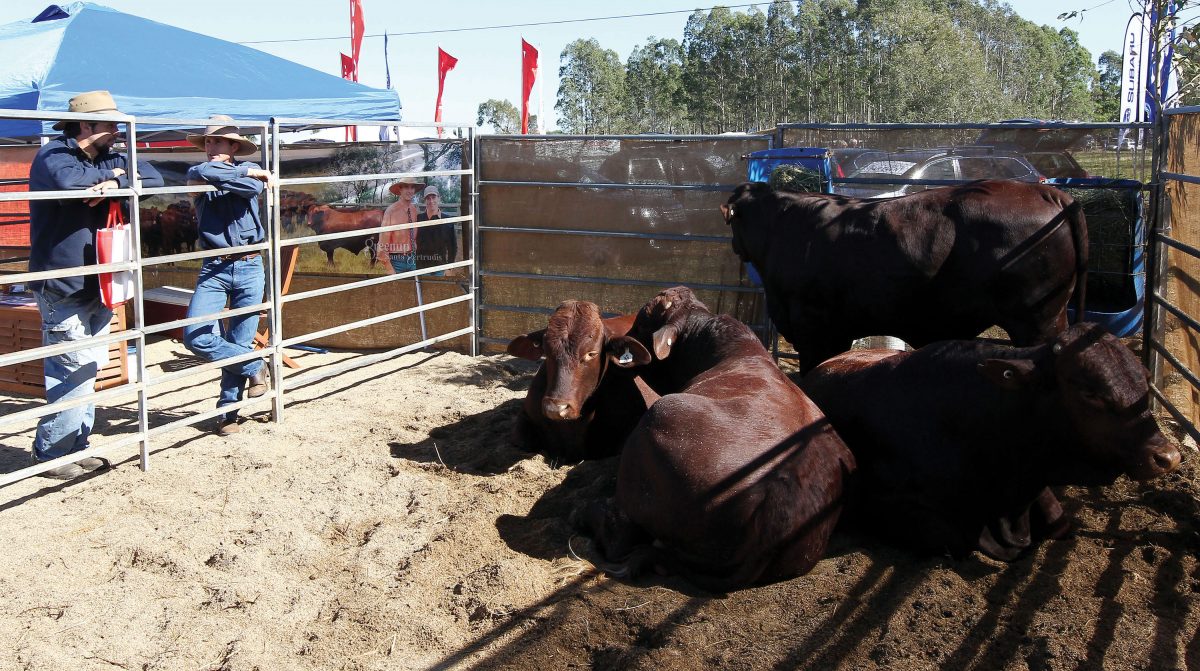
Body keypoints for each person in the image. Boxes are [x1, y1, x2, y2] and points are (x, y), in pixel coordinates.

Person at [27, 91, 163, 479]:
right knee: (72, 364)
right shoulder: (54, 155)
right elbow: (70, 184)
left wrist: (111, 179)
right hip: (63, 281)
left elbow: (152, 176)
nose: (118, 131)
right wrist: (117, 178)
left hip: (101, 279)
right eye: (111, 124)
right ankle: (51, 453)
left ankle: (75, 444)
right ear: (87, 125)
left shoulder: (110, 156)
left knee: (89, 364)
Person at [181, 115, 272, 436]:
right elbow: (199, 172)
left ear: (234, 146)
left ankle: (228, 414)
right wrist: (246, 171)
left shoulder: (243, 177)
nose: (210, 147)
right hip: (215, 267)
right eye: (207, 141)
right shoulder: (199, 173)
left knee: (239, 339)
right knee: (194, 335)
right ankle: (254, 365)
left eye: (217, 141)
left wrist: (245, 175)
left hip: (250, 264)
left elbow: (250, 188)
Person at [378, 179, 424, 274]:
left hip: (413, 259)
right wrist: (389, 267)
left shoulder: (414, 210)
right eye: (406, 187)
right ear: (400, 189)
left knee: (414, 288)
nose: (410, 190)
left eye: (412, 187)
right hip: (396, 262)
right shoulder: (391, 211)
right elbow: (383, 242)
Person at [415, 185, 456, 276]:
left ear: (439, 198)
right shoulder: (418, 219)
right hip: (421, 268)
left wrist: (449, 268)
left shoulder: (447, 220)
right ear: (424, 200)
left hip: (440, 267)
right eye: (428, 198)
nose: (431, 201)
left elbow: (452, 247)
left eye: (433, 197)